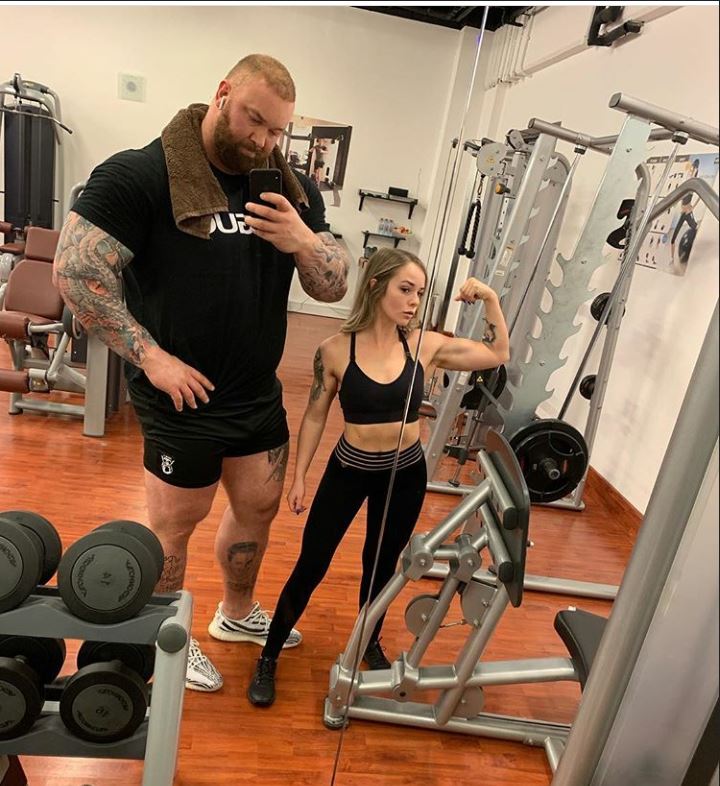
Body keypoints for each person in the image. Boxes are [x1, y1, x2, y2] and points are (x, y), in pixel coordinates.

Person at [52, 54, 352, 693]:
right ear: (221, 94)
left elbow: (332, 287)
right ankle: (170, 629)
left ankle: (236, 613)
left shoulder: (290, 190)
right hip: (180, 393)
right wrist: (150, 357)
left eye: (278, 130)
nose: (264, 141)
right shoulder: (142, 174)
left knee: (258, 507)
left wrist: (303, 239)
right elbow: (75, 271)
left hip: (256, 390)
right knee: (176, 521)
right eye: (254, 120)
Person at [246, 247, 510, 707]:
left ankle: (368, 641)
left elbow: (497, 353)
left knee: (381, 567)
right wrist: (300, 477)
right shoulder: (334, 349)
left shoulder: (425, 346)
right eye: (405, 289)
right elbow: (314, 415)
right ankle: (269, 654)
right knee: (312, 565)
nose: (413, 302)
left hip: (404, 475)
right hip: (349, 470)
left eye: (420, 293)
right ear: (375, 286)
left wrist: (489, 298)